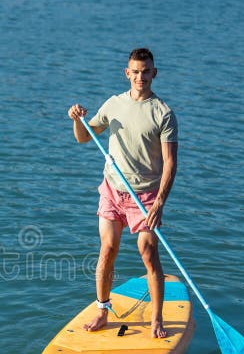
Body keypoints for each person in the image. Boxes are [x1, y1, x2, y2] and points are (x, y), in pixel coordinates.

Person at [67, 48, 178, 338]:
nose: (141, 76)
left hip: (146, 196)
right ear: (127, 73)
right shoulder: (113, 104)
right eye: (135, 71)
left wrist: (160, 203)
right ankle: (102, 311)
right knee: (108, 249)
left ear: (154, 73)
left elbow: (170, 163)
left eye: (146, 71)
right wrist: (77, 120)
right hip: (113, 189)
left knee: (148, 253)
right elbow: (82, 138)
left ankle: (156, 318)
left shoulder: (163, 113)